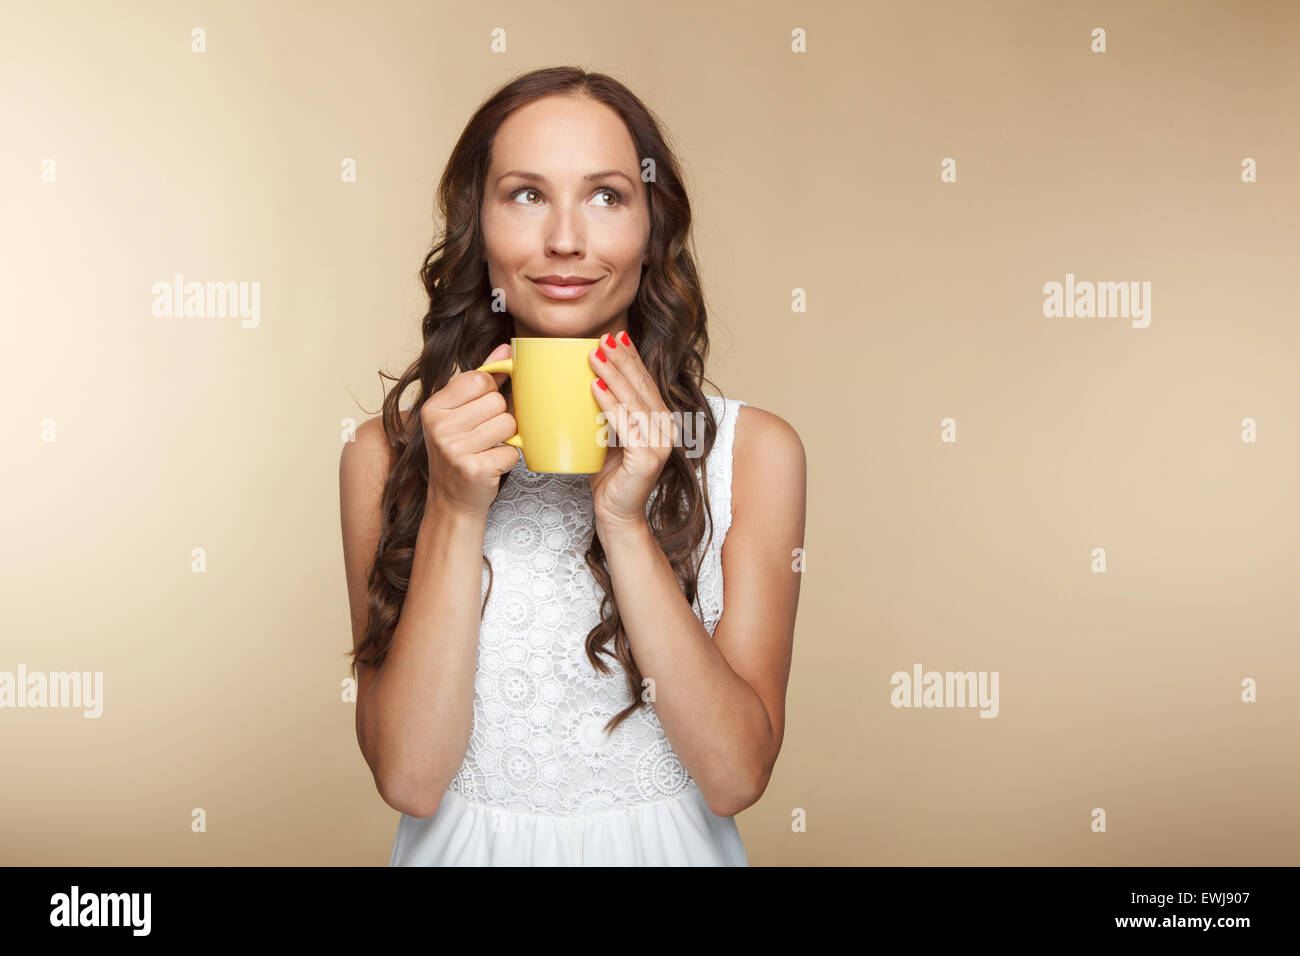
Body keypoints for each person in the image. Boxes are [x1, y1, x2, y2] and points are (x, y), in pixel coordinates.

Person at [339, 66, 806, 865]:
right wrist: (455, 508)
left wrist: (623, 520)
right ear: (475, 227)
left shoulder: (754, 452)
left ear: (651, 229)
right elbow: (411, 780)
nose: (565, 240)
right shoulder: (382, 454)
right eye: (526, 194)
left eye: (606, 196)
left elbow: (735, 777)